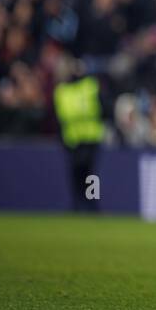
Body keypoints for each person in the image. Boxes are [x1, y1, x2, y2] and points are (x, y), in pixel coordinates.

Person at [52, 56, 104, 213]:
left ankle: (91, 204)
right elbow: (60, 118)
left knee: (90, 174)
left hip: (90, 138)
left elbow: (101, 106)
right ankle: (77, 204)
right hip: (73, 140)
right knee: (76, 174)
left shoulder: (89, 85)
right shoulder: (61, 91)